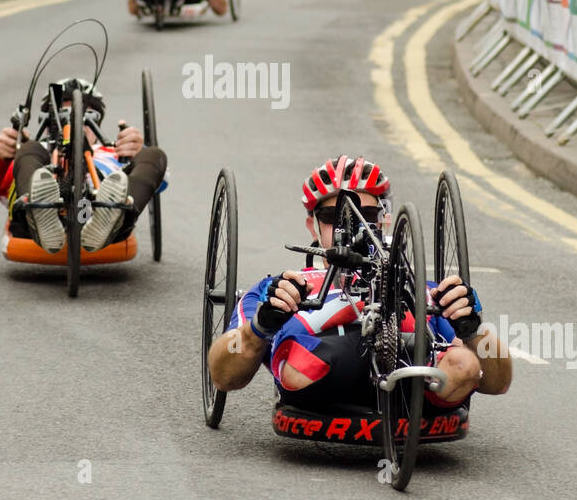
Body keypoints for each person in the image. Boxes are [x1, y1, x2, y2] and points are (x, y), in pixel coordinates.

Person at [207, 155, 512, 418]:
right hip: (319, 368)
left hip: (413, 377)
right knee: (299, 366)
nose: (352, 229)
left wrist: (474, 331)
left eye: (366, 216)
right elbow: (222, 375)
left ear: (385, 220)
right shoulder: (279, 288)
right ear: (312, 225)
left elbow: (498, 382)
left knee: (465, 364)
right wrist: (260, 326)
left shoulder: (425, 289)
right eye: (332, 217)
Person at [0, 77, 167, 256]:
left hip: (110, 227)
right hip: (30, 230)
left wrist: (139, 152)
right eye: (63, 112)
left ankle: (114, 216)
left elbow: (162, 182)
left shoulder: (112, 153)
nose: (73, 120)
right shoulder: (29, 152)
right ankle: (39, 212)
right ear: (47, 124)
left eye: (86, 114)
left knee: (155, 155)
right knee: (31, 148)